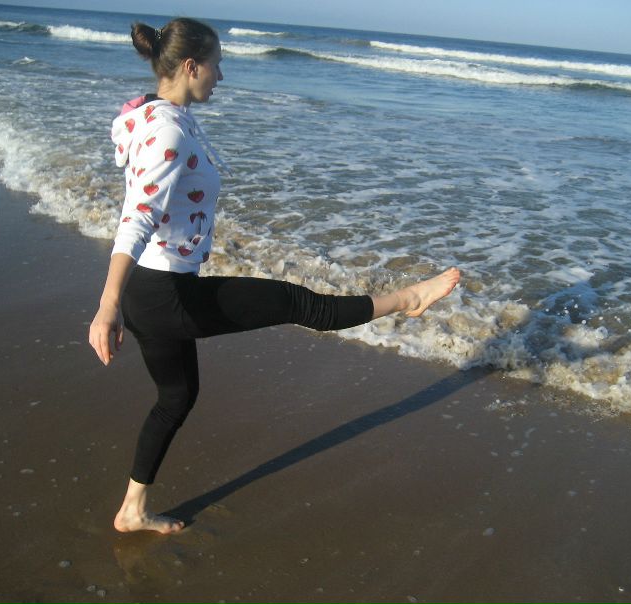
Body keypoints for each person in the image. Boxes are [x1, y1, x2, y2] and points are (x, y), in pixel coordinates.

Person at [89, 17, 461, 534]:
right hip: (163, 294)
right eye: (217, 64)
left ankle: (132, 510)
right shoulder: (168, 130)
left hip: (152, 290)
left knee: (177, 397)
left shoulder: (151, 113)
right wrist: (107, 306)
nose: (222, 75)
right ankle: (408, 300)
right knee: (298, 303)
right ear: (191, 66)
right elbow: (136, 217)